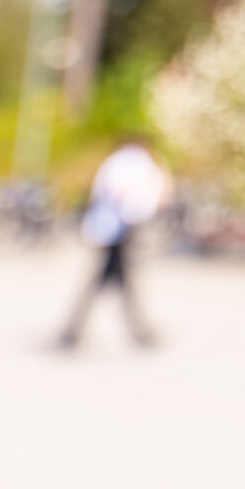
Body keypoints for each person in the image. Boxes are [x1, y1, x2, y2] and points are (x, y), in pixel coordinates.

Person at [56, 136, 169, 350]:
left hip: (116, 228)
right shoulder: (130, 162)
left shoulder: (122, 161)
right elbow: (128, 193)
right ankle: (138, 332)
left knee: (110, 281)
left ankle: (73, 332)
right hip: (122, 228)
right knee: (120, 280)